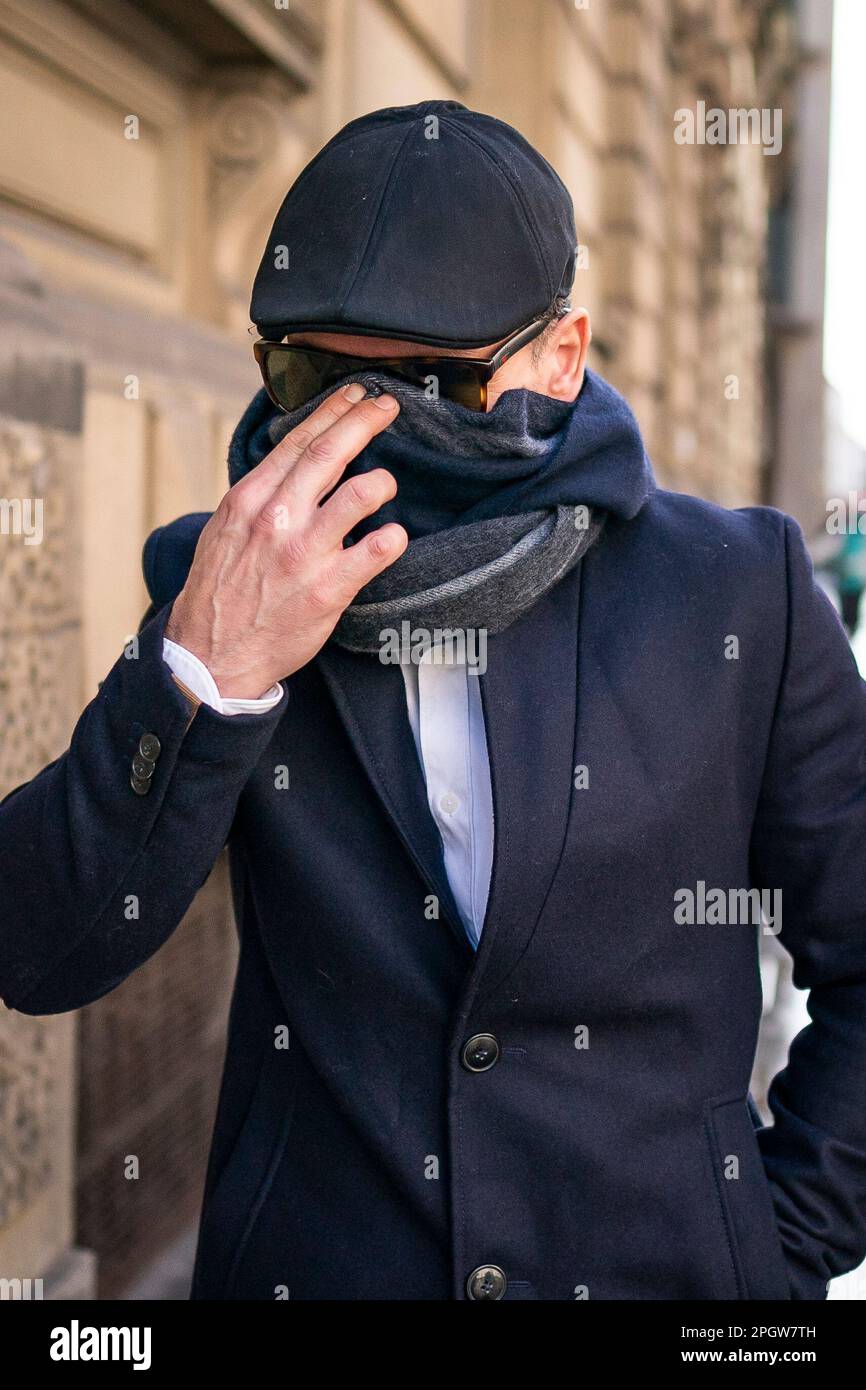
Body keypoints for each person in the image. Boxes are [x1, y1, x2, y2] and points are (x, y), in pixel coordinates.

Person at [2, 100, 866, 1302]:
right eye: (311, 376)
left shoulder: (740, 593)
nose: (362, 433)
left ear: (562, 356)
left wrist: (772, 1256)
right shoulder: (230, 576)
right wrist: (208, 673)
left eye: (426, 380)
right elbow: (41, 948)